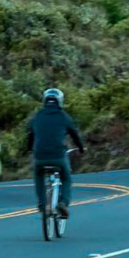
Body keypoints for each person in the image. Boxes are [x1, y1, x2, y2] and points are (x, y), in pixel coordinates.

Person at [25, 88, 85, 219]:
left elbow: (30, 134)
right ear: (60, 101)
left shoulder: (37, 116)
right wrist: (81, 148)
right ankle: (63, 203)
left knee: (38, 175)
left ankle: (42, 204)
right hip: (58, 155)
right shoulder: (64, 116)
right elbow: (74, 134)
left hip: (40, 156)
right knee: (66, 177)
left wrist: (29, 148)